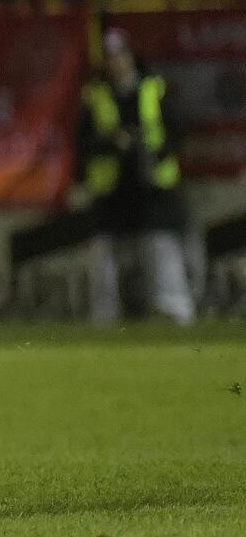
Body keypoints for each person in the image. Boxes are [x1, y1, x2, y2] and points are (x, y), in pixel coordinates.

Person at [76, 29, 196, 326]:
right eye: (110, 57)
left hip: (152, 184)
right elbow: (83, 142)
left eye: (120, 55)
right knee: (104, 254)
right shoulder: (96, 96)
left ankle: (175, 311)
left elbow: (176, 132)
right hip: (112, 187)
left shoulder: (154, 89)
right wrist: (112, 143)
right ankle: (104, 316)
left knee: (161, 250)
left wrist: (153, 152)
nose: (115, 63)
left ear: (131, 57)